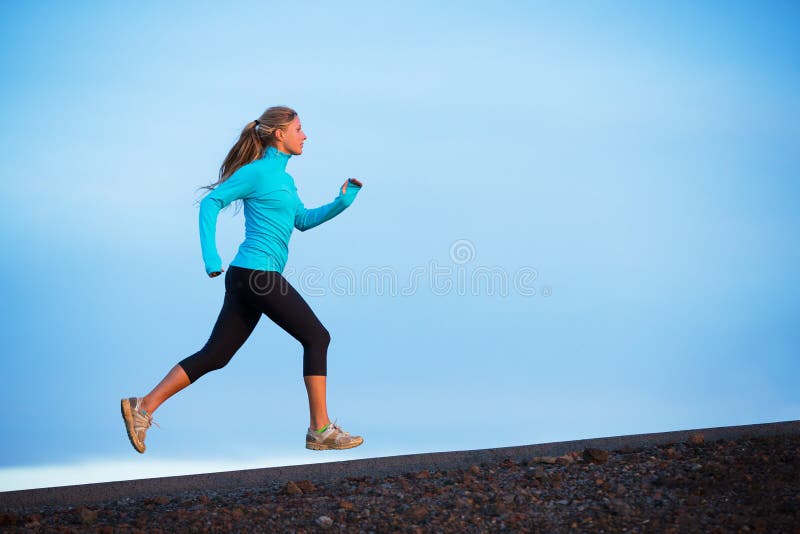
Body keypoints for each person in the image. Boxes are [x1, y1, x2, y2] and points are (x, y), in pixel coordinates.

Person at [121, 106, 364, 453]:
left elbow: (303, 220)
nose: (305, 135)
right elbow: (210, 202)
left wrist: (343, 202)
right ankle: (320, 428)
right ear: (279, 134)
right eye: (299, 129)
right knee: (316, 336)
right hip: (256, 274)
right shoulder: (257, 172)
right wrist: (210, 256)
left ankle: (142, 406)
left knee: (216, 354)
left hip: (248, 277)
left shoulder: (284, 180)